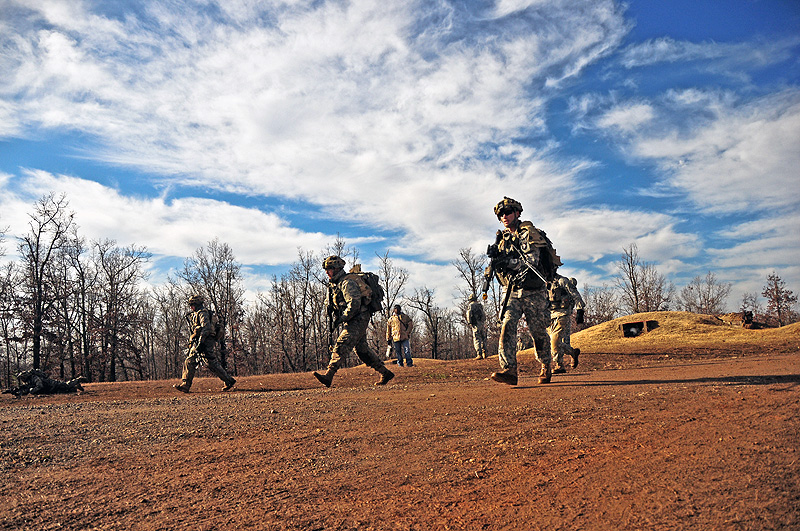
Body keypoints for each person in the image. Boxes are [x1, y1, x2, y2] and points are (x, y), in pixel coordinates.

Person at [486, 196, 560, 385]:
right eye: (501, 214)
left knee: (537, 330)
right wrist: (496, 262)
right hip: (512, 289)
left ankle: (545, 364)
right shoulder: (503, 238)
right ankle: (509, 370)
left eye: (507, 212)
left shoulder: (528, 232)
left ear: (517, 213)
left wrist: (508, 262)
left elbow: (531, 262)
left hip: (533, 290)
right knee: (507, 325)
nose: (504, 216)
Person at [314, 256, 394, 387]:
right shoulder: (336, 284)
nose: (327, 272)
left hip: (358, 317)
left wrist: (343, 317)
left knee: (342, 344)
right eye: (326, 269)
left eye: (329, 269)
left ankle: (329, 375)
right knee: (362, 350)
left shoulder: (347, 283)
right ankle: (385, 373)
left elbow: (354, 304)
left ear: (337, 269)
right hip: (353, 318)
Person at [174, 295, 236, 393]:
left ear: (197, 304)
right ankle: (185, 385)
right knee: (191, 360)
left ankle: (229, 380)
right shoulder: (196, 313)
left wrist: (201, 342)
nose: (191, 307)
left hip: (205, 340)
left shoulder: (202, 312)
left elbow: (206, 328)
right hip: (201, 340)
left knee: (209, 362)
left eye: (192, 304)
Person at [548, 276, 585, 373]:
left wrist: (580, 310)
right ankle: (572, 352)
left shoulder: (562, 281)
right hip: (549, 316)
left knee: (556, 340)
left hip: (563, 315)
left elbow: (575, 294)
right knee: (553, 342)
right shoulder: (544, 283)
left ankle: (559, 365)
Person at [3, 369, 86, 397]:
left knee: (65, 385)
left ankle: (78, 380)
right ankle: (75, 387)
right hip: (49, 389)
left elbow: (39, 386)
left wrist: (32, 390)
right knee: (64, 391)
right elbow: (25, 388)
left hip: (52, 384)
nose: (22, 380)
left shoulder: (34, 378)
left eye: (22, 378)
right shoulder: (29, 381)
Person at [466, 294, 487, 359]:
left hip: (475, 324)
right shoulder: (480, 305)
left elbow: (468, 313)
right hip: (481, 323)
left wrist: (469, 322)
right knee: (483, 338)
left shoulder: (471, 305)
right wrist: (482, 321)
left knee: (477, 338)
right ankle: (484, 352)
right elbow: (483, 314)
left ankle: (479, 354)